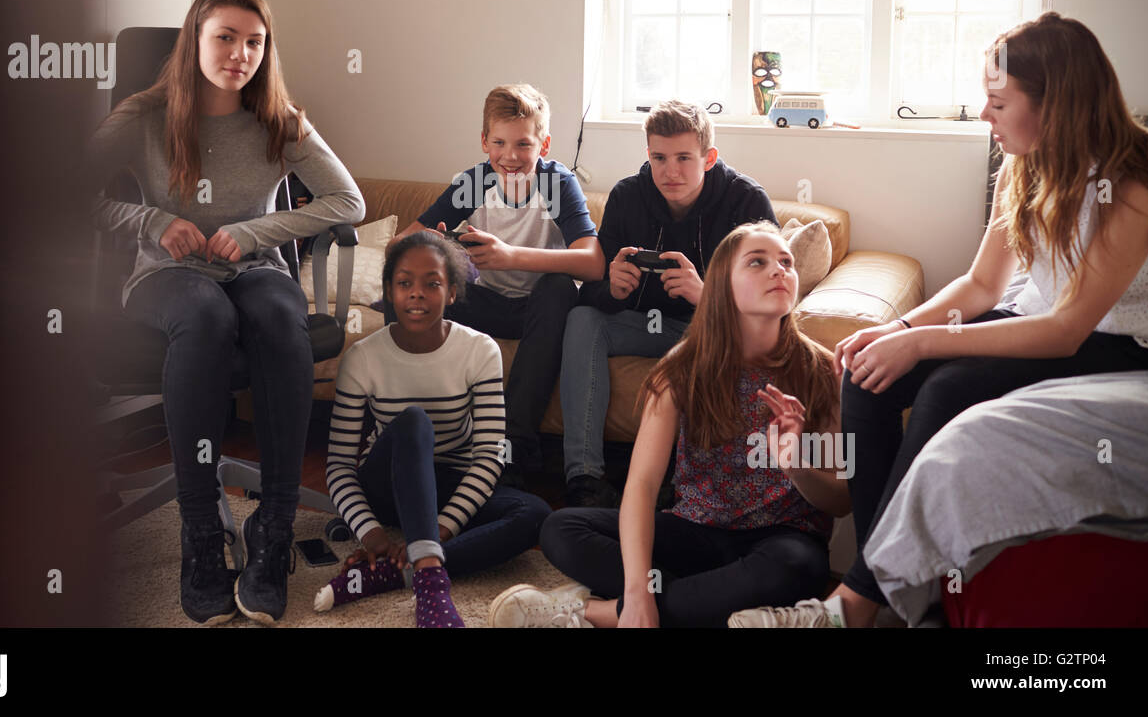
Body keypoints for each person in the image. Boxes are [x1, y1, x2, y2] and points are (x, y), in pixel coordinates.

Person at [728, 11, 1148, 628]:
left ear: (1055, 106)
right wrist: (898, 334)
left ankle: (855, 601)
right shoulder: (1025, 164)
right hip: (1041, 318)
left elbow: (1067, 329)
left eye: (997, 102)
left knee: (947, 387)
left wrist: (926, 343)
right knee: (864, 372)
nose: (985, 116)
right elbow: (983, 285)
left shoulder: (1133, 185)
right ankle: (894, 592)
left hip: (1115, 339)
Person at [85, 0, 364, 626]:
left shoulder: (281, 121)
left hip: (254, 271)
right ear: (195, 40)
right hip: (168, 275)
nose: (241, 53)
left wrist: (250, 233)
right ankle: (201, 537)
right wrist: (152, 221)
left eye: (254, 42)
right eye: (225, 38)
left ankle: (273, 527)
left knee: (281, 314)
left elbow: (347, 202)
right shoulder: (143, 116)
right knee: (205, 316)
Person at [489, 221, 850, 627]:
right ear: (722, 287)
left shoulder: (827, 371)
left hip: (782, 542)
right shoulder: (680, 369)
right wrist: (638, 590)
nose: (779, 270)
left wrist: (795, 464)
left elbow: (841, 500)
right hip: (694, 531)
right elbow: (642, 487)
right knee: (561, 527)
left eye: (786, 262)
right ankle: (705, 608)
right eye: (757, 262)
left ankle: (597, 612)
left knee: (798, 567)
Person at [319, 231, 552, 626]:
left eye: (432, 284)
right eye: (405, 283)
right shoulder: (362, 358)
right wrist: (372, 535)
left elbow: (488, 458)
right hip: (387, 486)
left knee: (534, 514)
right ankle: (431, 585)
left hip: (448, 483)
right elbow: (340, 466)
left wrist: (442, 529)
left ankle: (399, 571)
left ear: (453, 292)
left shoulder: (479, 350)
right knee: (413, 422)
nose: (417, 294)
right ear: (390, 291)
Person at [560, 99, 776, 508]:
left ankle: (681, 487)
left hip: (710, 332)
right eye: (659, 157)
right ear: (648, 155)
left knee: (703, 339)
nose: (670, 171)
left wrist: (707, 294)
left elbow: (771, 298)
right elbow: (590, 290)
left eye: (683, 158)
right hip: (643, 325)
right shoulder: (627, 196)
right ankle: (584, 479)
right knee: (583, 318)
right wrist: (613, 288)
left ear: (708, 158)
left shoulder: (746, 201)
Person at [388, 84, 604, 486]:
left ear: (544, 143)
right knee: (410, 290)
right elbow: (400, 245)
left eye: (524, 144)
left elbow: (592, 263)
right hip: (483, 305)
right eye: (499, 143)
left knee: (559, 288)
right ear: (484, 141)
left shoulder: (556, 185)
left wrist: (510, 255)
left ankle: (516, 445)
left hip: (538, 314)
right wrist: (435, 246)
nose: (510, 156)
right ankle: (419, 434)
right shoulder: (473, 183)